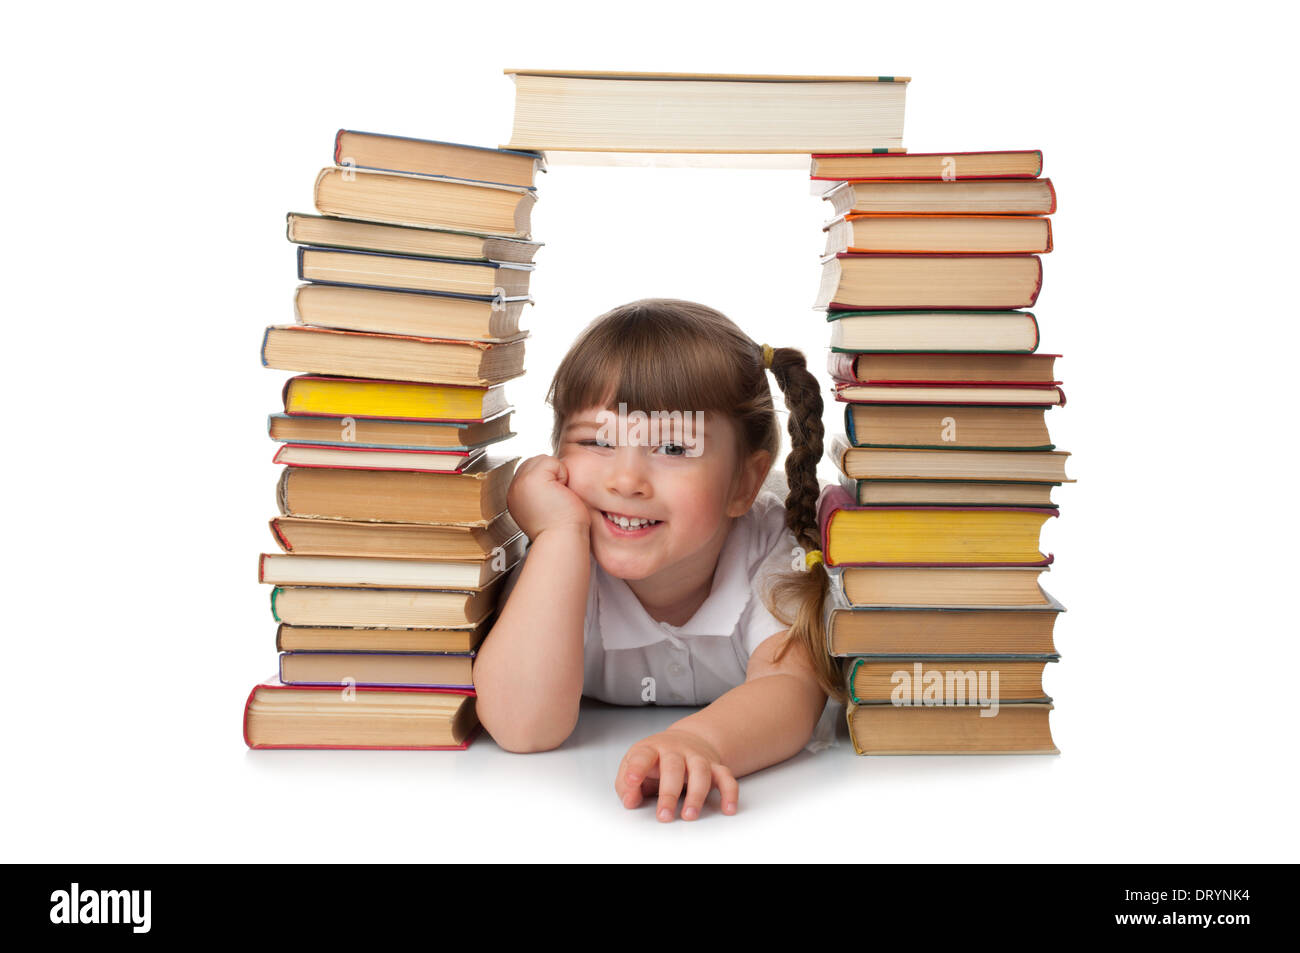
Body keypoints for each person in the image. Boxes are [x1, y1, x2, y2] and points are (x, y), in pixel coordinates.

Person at [473, 298, 841, 822]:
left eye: (673, 449)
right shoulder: (562, 550)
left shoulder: (771, 544)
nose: (626, 481)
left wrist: (701, 741)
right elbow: (521, 726)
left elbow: (790, 690)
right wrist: (557, 537)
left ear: (744, 483)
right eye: (598, 440)